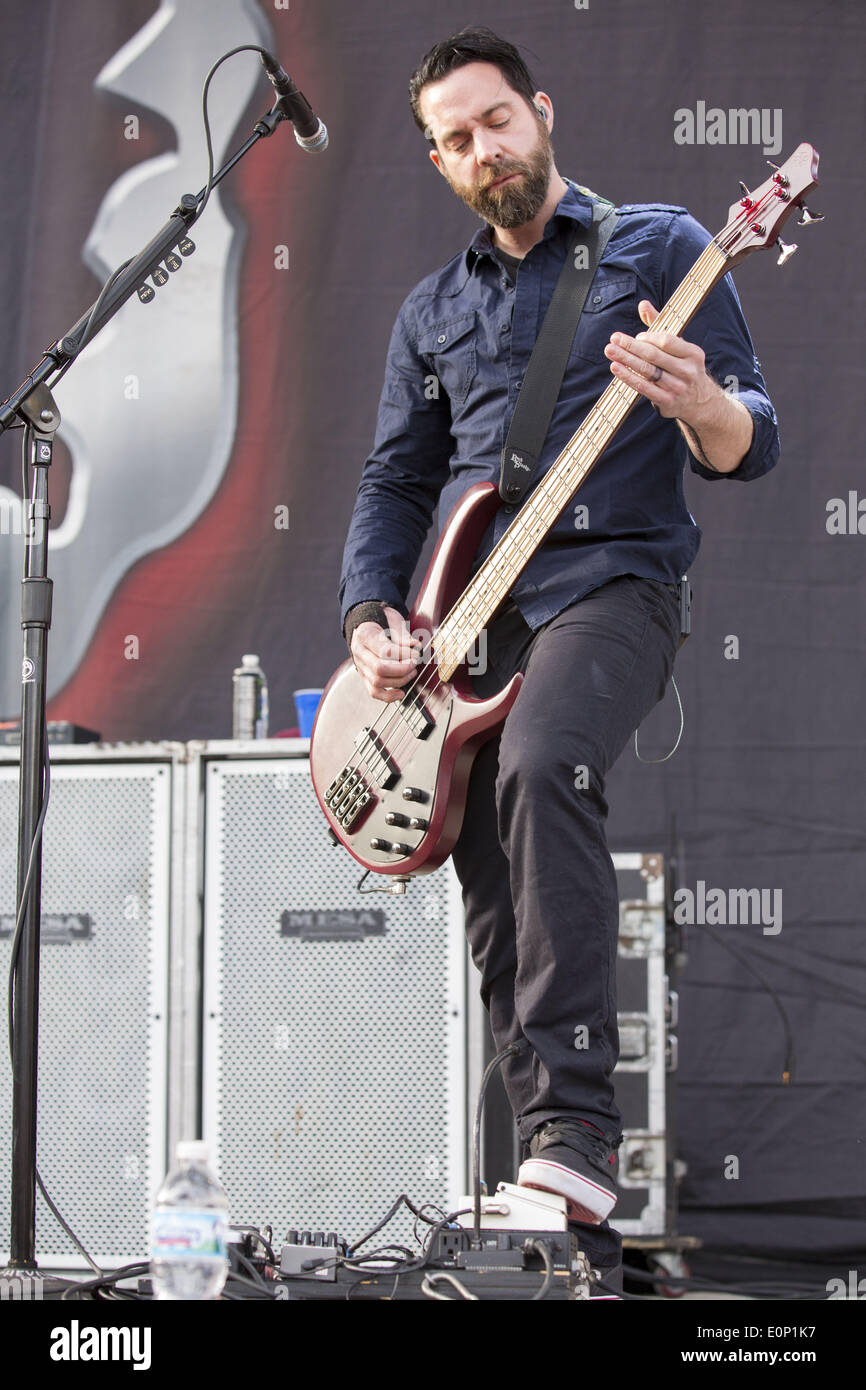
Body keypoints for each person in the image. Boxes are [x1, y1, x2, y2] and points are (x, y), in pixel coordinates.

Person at [338, 26, 779, 1287]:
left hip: (615, 586)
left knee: (541, 765)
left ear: (541, 110)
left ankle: (581, 1132)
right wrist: (374, 616)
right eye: (456, 140)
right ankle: (546, 1180)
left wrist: (694, 398)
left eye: (496, 122)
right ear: (436, 160)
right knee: (486, 876)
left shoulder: (664, 247)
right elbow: (392, 482)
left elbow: (750, 439)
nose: (484, 151)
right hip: (471, 618)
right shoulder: (433, 310)